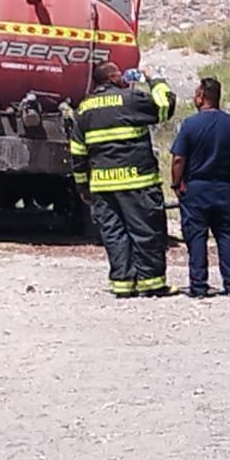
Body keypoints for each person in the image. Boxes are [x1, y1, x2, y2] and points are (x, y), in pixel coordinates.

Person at [69, 60, 177, 299]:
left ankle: (123, 284)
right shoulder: (129, 99)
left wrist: (82, 185)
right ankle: (151, 284)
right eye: (118, 74)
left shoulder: (83, 110)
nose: (123, 77)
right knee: (146, 231)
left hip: (102, 186)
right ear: (111, 78)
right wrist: (155, 79)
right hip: (136, 182)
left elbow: (77, 153)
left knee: (114, 234)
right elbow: (165, 105)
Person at [170, 76, 230, 298]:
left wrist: (176, 183)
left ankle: (199, 286)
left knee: (196, 238)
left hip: (196, 188)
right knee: (226, 236)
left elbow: (178, 159)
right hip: (224, 187)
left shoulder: (190, 124)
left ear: (202, 97)